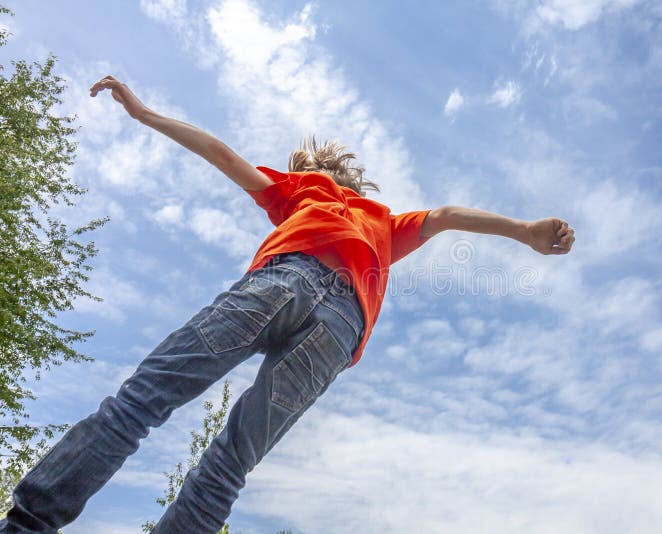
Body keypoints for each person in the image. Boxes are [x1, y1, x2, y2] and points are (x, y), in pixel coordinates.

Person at [0, 75, 575, 533]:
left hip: (283, 281)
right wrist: (524, 230)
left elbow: (223, 155)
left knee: (139, 404)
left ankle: (27, 525)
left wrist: (145, 113)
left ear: (306, 173)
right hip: (341, 327)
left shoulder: (301, 191)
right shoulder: (381, 219)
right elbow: (446, 217)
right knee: (229, 465)